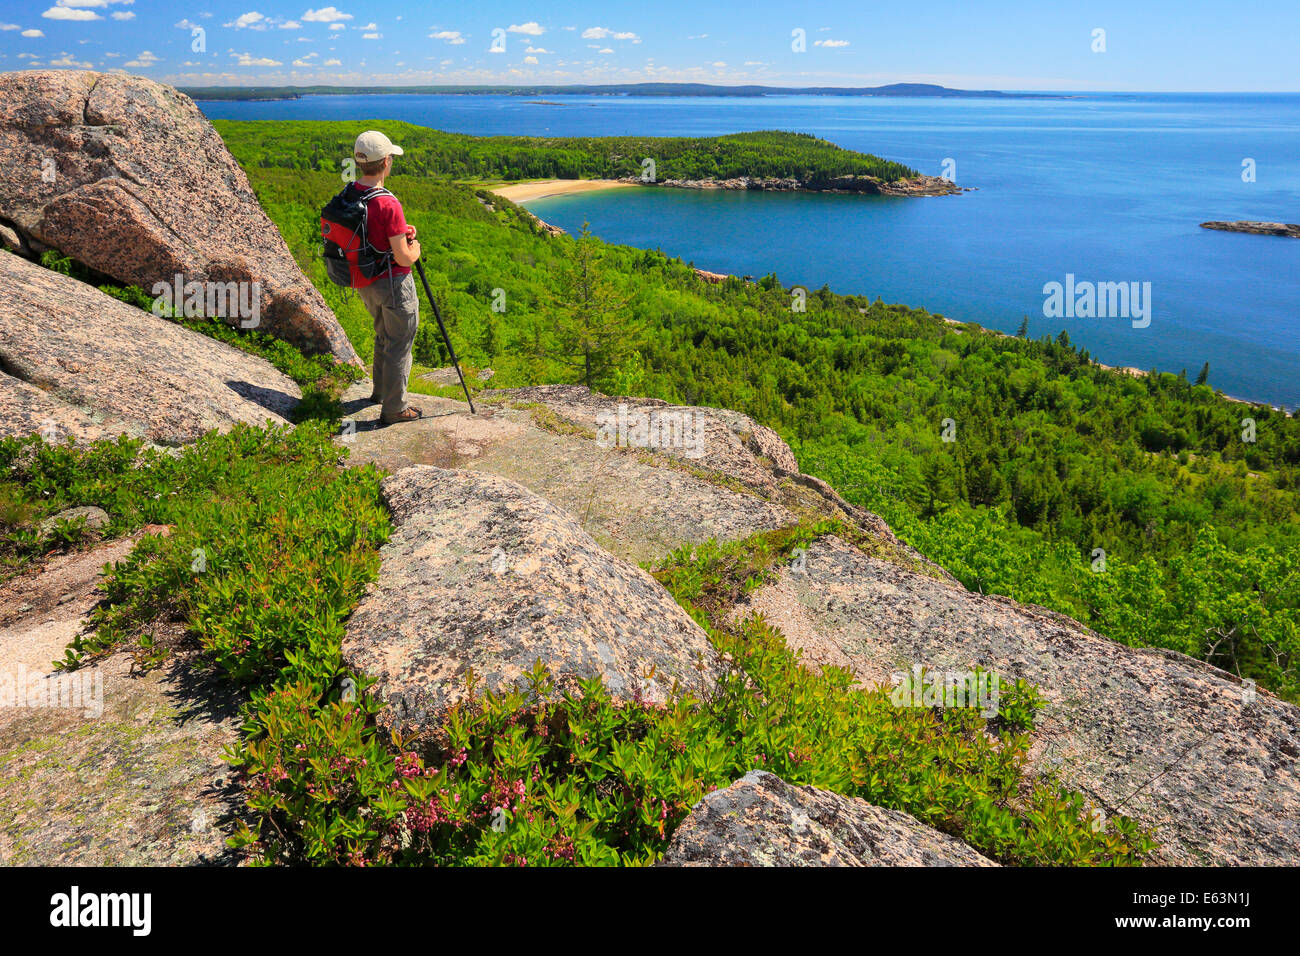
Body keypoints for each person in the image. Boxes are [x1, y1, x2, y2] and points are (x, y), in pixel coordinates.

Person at [349, 130, 423, 424]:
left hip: (365, 281)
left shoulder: (351, 192)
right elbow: (404, 257)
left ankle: (380, 392)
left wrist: (400, 235)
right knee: (400, 342)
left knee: (383, 334)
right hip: (393, 282)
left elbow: (371, 236)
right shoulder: (387, 202)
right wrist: (414, 249)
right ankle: (394, 409)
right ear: (386, 162)